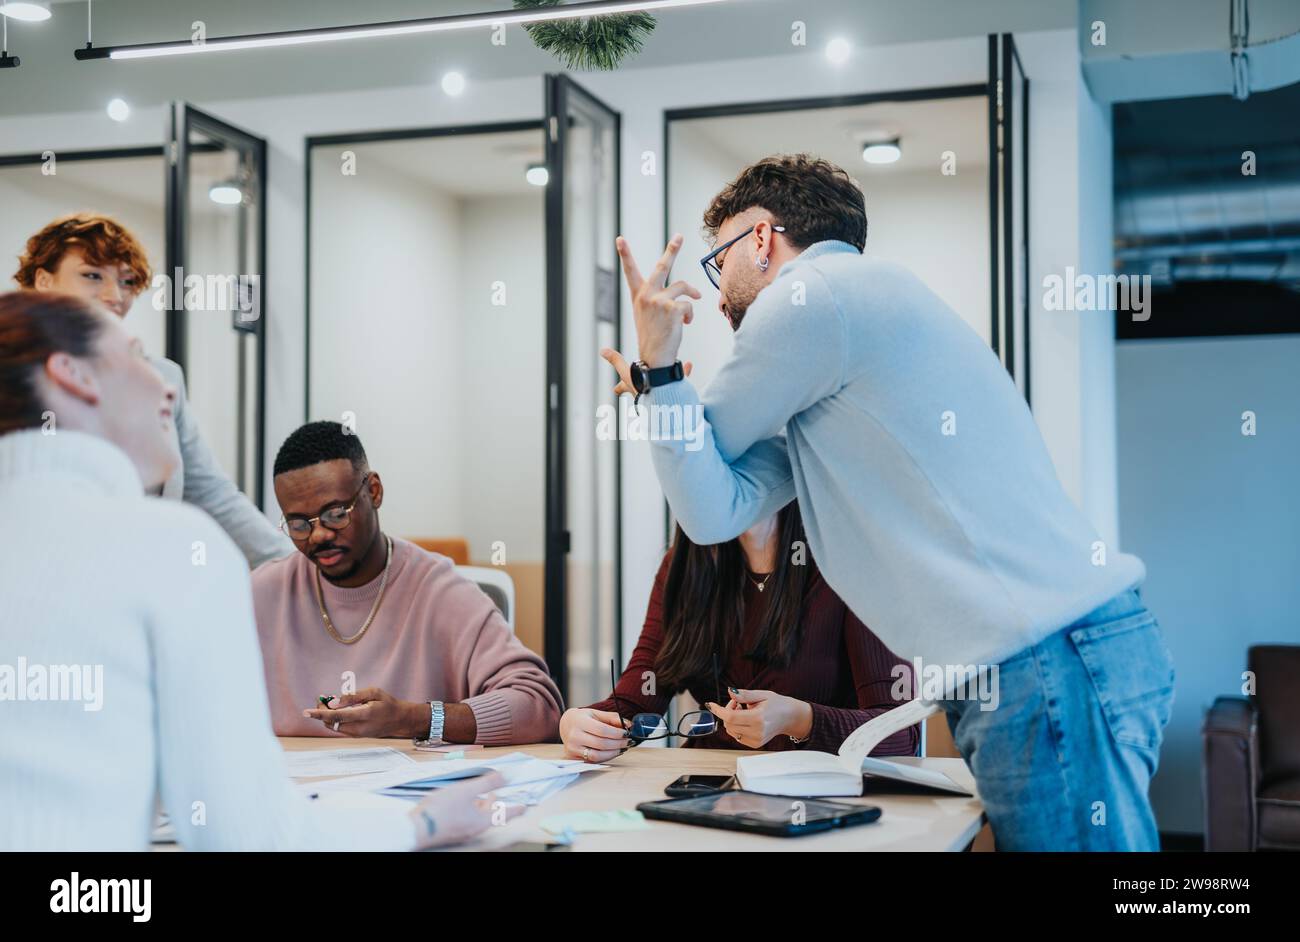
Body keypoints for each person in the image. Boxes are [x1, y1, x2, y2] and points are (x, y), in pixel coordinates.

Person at [602, 153, 1175, 851]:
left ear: (761, 237)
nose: (720, 300)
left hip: (1043, 659)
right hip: (1069, 650)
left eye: (720, 264)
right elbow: (718, 510)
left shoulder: (812, 296)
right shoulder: (858, 328)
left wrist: (661, 369)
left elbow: (700, 481)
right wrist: (665, 395)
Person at [0, 292, 514, 850]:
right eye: (137, 357)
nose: (168, 386)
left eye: (335, 513)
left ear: (373, 493)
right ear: (72, 375)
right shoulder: (173, 551)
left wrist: (420, 717)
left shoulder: (433, 582)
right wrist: (422, 824)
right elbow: (248, 834)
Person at [254, 421, 564, 744]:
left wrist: (413, 719)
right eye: (299, 524)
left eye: (335, 513)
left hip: (410, 794)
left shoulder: (439, 591)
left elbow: (539, 705)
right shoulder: (262, 594)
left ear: (373, 491)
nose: (318, 535)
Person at [12, 212, 291, 568]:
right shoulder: (14, 374)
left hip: (144, 577)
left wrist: (294, 569)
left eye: (127, 282)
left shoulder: (161, 378)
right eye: (92, 275)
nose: (114, 295)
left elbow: (210, 492)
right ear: (43, 280)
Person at [561, 502, 920, 763]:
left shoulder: (853, 562)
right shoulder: (685, 566)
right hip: (709, 792)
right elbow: (636, 704)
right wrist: (581, 723)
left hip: (822, 798)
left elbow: (902, 734)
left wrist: (800, 719)